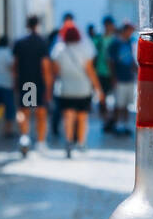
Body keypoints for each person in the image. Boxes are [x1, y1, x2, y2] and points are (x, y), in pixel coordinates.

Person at [47, 24, 103, 158]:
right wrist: (98, 89)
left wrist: (49, 90)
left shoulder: (58, 49)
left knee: (68, 116)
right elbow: (90, 71)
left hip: (65, 88)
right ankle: (81, 143)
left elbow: (55, 72)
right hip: (83, 88)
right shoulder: (85, 48)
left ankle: (68, 142)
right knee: (82, 117)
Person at [12, 15, 52, 155]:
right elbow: (45, 67)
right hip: (38, 81)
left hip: (25, 81)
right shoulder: (42, 42)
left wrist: (15, 81)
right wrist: (48, 86)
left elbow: (15, 65)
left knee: (24, 112)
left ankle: (24, 137)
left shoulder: (20, 42)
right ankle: (40, 142)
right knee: (41, 113)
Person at [108, 20, 137, 135]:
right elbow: (111, 62)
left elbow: (131, 59)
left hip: (129, 77)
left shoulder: (130, 42)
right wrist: (113, 77)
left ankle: (125, 124)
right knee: (119, 104)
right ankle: (117, 124)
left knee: (126, 104)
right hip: (119, 77)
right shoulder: (115, 43)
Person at [49, 12, 75, 140]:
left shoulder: (76, 36)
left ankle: (72, 135)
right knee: (59, 106)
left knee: (70, 107)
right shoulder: (57, 37)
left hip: (72, 77)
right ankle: (57, 129)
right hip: (60, 77)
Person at [94, 16, 116, 131]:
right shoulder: (99, 39)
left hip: (112, 74)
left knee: (111, 98)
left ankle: (110, 120)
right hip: (101, 72)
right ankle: (105, 120)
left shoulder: (115, 39)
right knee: (102, 98)